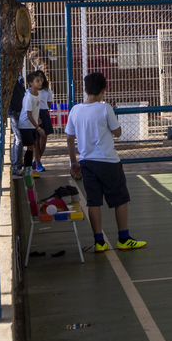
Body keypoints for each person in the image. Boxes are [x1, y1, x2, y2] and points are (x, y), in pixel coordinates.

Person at [65, 72, 146, 252]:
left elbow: (70, 138)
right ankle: (123, 238)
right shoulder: (105, 108)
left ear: (85, 90)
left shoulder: (75, 110)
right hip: (109, 162)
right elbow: (117, 132)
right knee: (120, 199)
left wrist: (73, 162)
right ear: (104, 89)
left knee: (93, 202)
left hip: (86, 162)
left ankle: (99, 242)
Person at [18, 71, 45, 176]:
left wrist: (37, 117)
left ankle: (27, 169)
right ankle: (28, 170)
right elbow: (28, 115)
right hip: (25, 125)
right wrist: (38, 128)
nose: (40, 82)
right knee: (30, 147)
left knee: (31, 147)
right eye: (37, 81)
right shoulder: (28, 97)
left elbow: (34, 110)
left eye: (41, 80)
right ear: (31, 83)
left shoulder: (38, 94)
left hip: (32, 125)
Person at [34, 66, 54, 173]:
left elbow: (49, 103)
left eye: (41, 78)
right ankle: (38, 163)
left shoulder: (47, 90)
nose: (40, 80)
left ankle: (37, 160)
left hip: (44, 114)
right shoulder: (30, 91)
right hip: (34, 115)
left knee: (43, 141)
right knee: (35, 141)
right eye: (37, 78)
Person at [7, 72, 25, 171]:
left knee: (17, 138)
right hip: (14, 111)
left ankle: (16, 162)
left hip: (21, 110)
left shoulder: (20, 77)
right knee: (19, 138)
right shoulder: (10, 78)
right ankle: (17, 164)